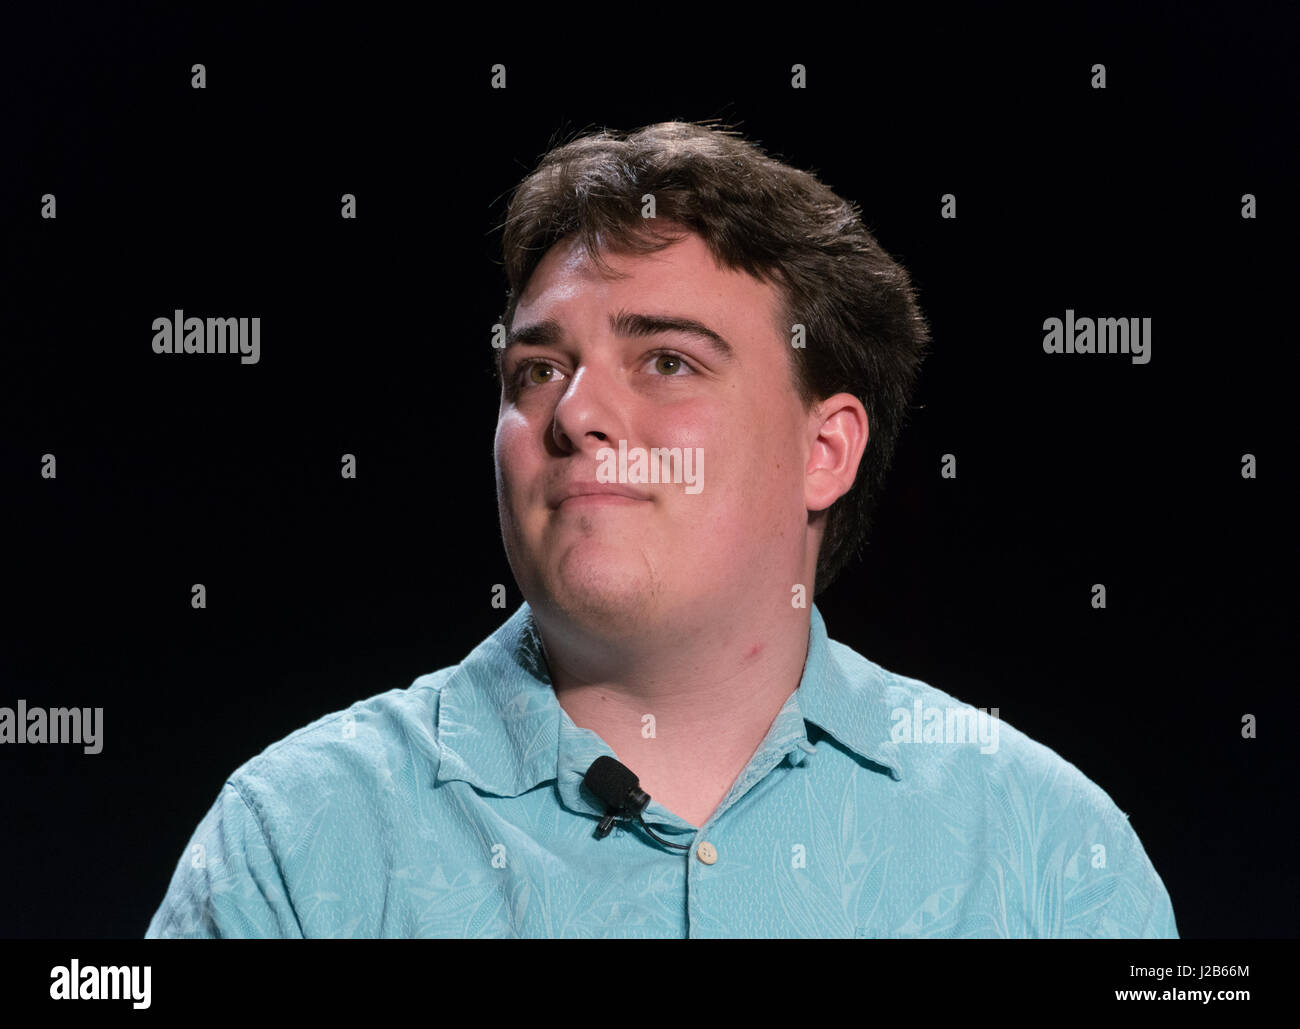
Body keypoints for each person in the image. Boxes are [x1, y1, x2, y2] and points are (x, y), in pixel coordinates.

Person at [145, 121, 1177, 938]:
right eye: (536, 371)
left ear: (825, 451)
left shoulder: (1047, 850)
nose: (575, 413)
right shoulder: (296, 838)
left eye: (668, 360)